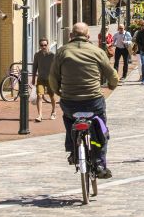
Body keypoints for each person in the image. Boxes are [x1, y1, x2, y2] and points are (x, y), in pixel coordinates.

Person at [49, 22, 118, 179]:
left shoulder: (62, 52)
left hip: (70, 101)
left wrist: (58, 91)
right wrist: (112, 85)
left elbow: (53, 78)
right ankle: (100, 162)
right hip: (93, 101)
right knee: (101, 127)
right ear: (88, 36)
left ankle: (73, 151)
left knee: (68, 118)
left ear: (71, 36)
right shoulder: (97, 52)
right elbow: (112, 75)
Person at [31, 38, 56, 122]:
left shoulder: (52, 55)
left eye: (45, 45)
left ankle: (53, 112)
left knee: (52, 96)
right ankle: (40, 115)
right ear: (39, 46)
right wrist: (33, 78)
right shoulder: (37, 55)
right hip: (41, 78)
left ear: (48, 45)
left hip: (50, 79)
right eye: (42, 45)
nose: (43, 47)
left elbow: (56, 68)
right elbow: (35, 67)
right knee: (39, 95)